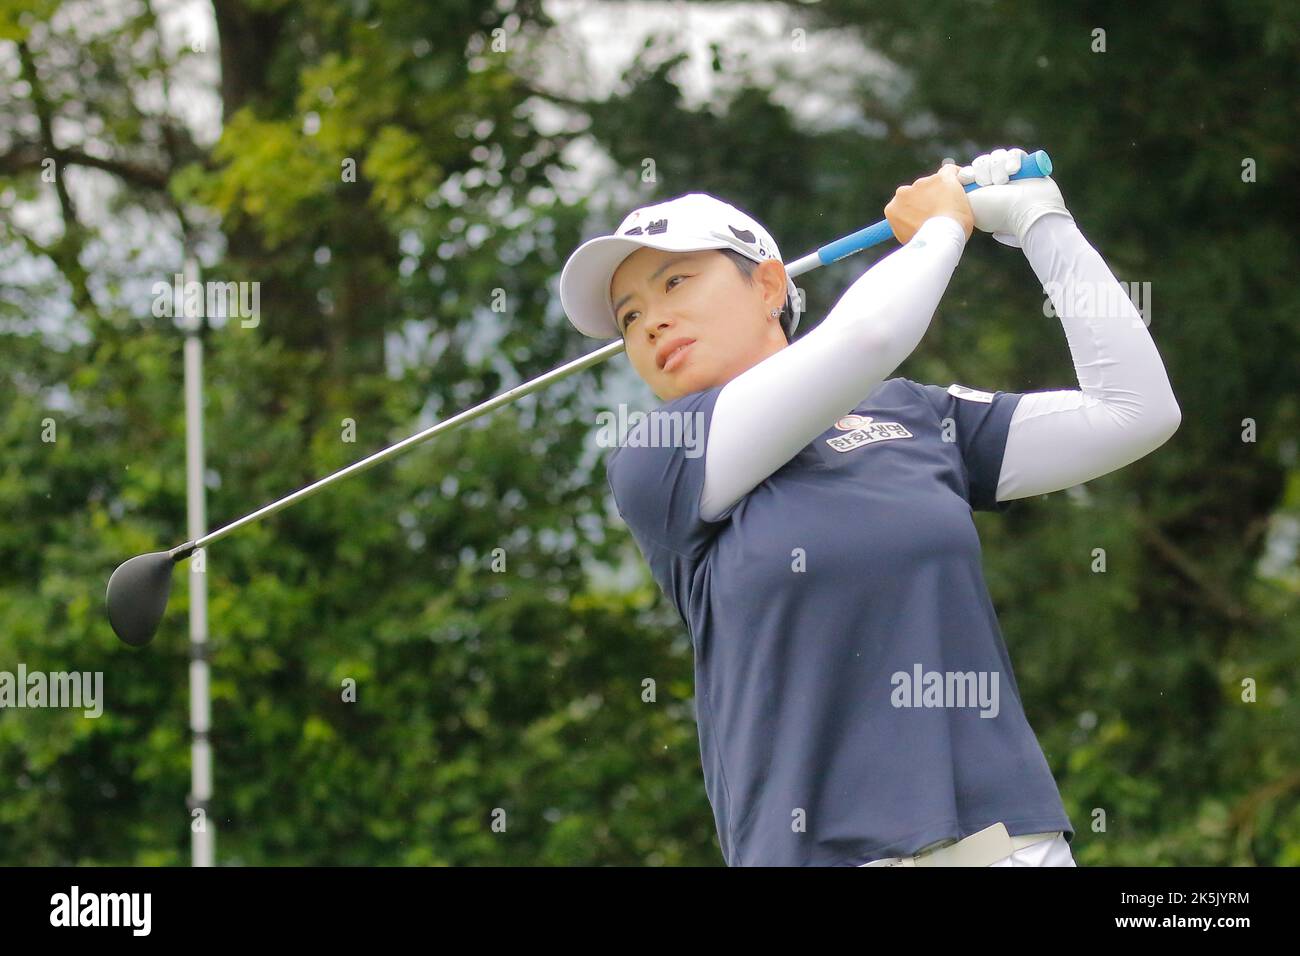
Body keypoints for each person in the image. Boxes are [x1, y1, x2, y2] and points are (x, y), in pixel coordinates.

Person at [558, 148, 1181, 866]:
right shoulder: (659, 456)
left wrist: (1043, 222)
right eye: (630, 315)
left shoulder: (911, 414)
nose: (653, 323)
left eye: (675, 283)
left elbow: (1135, 412)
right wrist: (942, 231)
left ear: (768, 285)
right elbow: (869, 337)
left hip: (1006, 845)